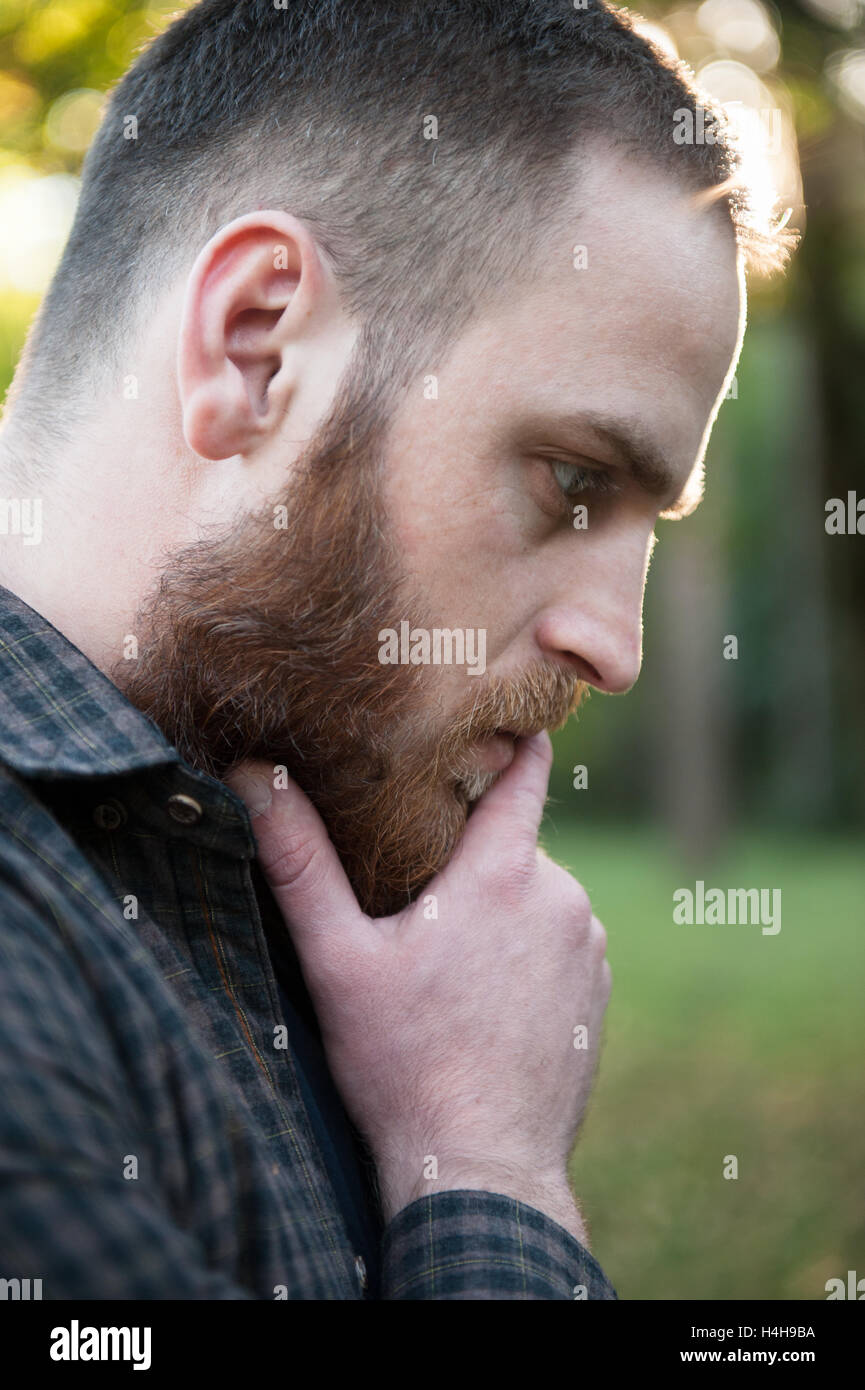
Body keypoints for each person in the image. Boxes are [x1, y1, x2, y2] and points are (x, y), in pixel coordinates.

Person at [0, 0, 791, 1299]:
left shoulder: (291, 852)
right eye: (573, 480)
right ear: (256, 346)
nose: (616, 647)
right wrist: (487, 1171)